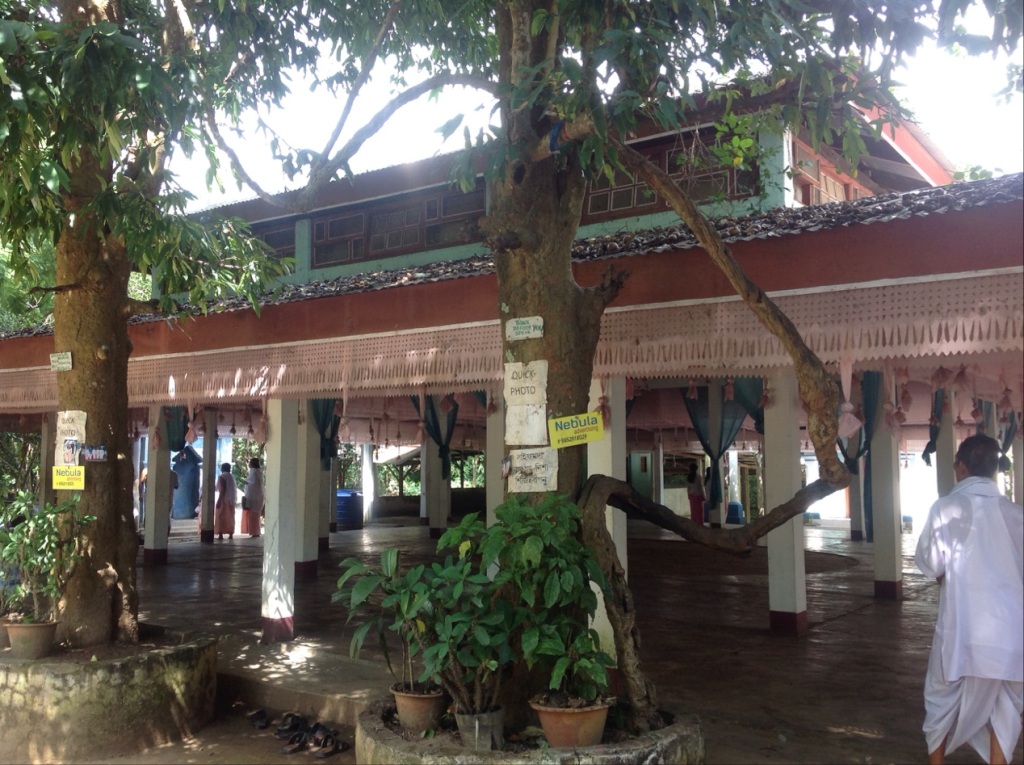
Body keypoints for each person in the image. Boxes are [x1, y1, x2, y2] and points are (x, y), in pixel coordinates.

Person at [915, 433, 1023, 765]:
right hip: (1011, 633)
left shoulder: (945, 508)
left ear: (960, 467)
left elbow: (931, 563)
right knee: (1006, 706)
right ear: (995, 469)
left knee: (939, 700)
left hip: (960, 630)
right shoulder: (1016, 514)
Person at [241, 457, 264, 539]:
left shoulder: (254, 472)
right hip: (258, 495)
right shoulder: (258, 472)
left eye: (250, 462)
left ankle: (255, 532)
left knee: (253, 515)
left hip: (254, 496)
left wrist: (246, 482)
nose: (249, 464)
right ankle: (256, 531)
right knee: (256, 515)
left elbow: (253, 484)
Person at [214, 463, 237, 541]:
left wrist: (219, 500)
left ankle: (220, 534)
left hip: (224, 499)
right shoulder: (232, 477)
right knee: (230, 516)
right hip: (231, 499)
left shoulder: (222, 476)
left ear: (222, 469)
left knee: (221, 516)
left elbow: (222, 489)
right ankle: (231, 534)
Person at [686, 462, 706, 526]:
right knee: (699, 511)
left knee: (693, 511)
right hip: (698, 496)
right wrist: (704, 496)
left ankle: (693, 523)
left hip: (691, 495)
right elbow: (701, 487)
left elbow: (688, 488)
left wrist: (688, 495)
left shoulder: (689, 477)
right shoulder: (698, 477)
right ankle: (700, 524)